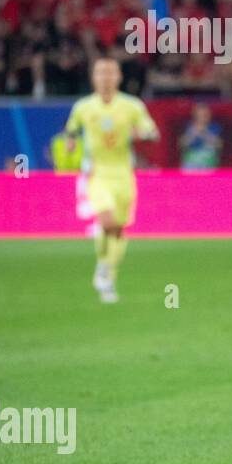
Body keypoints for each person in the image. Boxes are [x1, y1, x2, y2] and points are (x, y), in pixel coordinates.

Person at [64, 56, 160, 303]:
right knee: (106, 221)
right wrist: (71, 142)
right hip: (97, 173)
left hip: (123, 174)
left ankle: (107, 269)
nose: (105, 78)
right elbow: (72, 129)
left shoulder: (132, 106)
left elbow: (151, 131)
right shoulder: (83, 107)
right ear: (93, 78)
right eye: (100, 73)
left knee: (118, 229)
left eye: (110, 73)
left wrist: (144, 134)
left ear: (118, 77)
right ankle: (105, 269)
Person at [179, 103, 221, 169]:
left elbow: (219, 145)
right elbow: (181, 144)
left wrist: (205, 133)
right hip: (190, 164)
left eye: (205, 115)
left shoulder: (215, 127)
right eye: (199, 115)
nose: (202, 117)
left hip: (209, 163)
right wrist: (192, 133)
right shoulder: (188, 127)